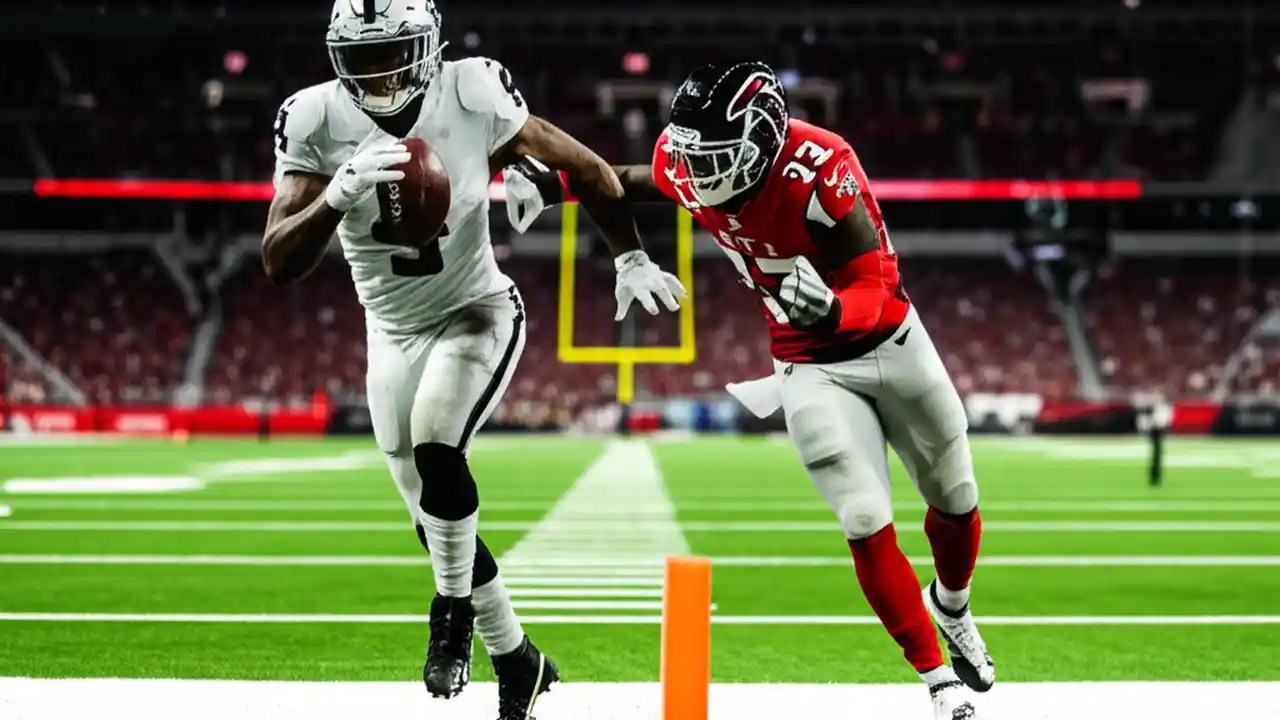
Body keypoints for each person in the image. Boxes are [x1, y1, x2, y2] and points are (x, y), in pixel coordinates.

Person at [509, 61, 992, 720]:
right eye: (693, 156)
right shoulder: (689, 166)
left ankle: (953, 606)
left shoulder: (822, 164)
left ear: (764, 137)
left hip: (889, 341)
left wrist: (830, 313)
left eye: (719, 156)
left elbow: (876, 286)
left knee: (957, 499)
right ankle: (939, 681)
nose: (700, 174)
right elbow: (626, 182)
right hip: (806, 363)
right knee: (862, 516)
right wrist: (554, 182)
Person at [261, 2, 685, 717]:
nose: (379, 72)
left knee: (437, 448)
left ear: (428, 45)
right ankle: (518, 658)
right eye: (361, 57)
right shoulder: (312, 118)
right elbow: (278, 259)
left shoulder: (472, 89)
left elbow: (582, 165)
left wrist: (630, 252)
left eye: (394, 51)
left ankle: (450, 624)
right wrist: (335, 195)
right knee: (434, 520)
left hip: (477, 310)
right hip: (389, 332)